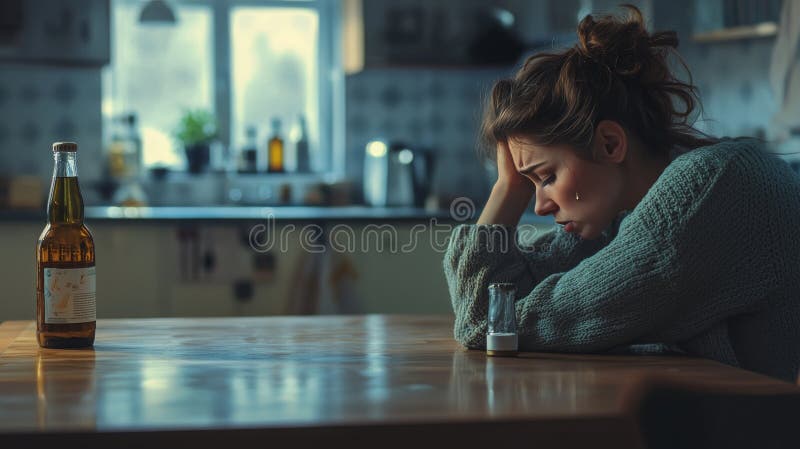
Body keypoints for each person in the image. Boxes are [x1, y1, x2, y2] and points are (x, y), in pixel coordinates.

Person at [443, 5, 800, 382]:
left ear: (611, 144)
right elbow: (496, 306)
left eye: (546, 177)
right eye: (530, 185)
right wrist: (509, 185)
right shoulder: (633, 210)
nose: (541, 206)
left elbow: (490, 326)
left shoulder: (709, 191)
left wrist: (508, 188)